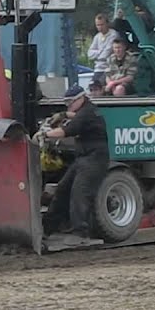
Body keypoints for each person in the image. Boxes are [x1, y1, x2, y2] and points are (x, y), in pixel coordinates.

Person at [42, 85, 108, 247]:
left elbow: (68, 130)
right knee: (63, 190)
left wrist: (44, 134)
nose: (68, 105)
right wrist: (64, 114)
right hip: (84, 158)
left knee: (80, 194)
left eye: (70, 102)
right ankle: (46, 229)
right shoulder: (87, 110)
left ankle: (81, 234)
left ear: (81, 98)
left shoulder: (87, 113)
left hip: (94, 158)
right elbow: (75, 115)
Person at [86, 14, 121, 87]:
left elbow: (106, 54)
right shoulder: (97, 36)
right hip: (98, 68)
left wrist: (96, 54)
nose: (100, 27)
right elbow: (89, 54)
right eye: (98, 25)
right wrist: (100, 51)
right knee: (92, 87)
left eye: (102, 24)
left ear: (107, 24)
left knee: (99, 86)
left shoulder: (113, 35)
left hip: (109, 68)